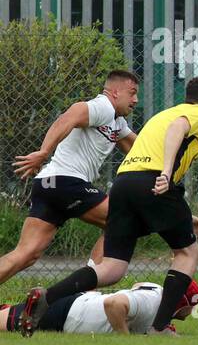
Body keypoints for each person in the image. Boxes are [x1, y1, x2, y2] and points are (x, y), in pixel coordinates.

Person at [19, 76, 198, 338]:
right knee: (188, 252)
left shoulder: (164, 113)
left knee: (111, 268)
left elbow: (147, 147)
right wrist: (166, 173)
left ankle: (47, 297)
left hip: (125, 183)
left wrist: (182, 212)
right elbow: (177, 129)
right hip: (153, 181)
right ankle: (160, 327)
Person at [2, 70, 140, 287]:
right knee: (123, 219)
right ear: (115, 92)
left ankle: (84, 291)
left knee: (26, 254)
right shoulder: (103, 106)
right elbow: (70, 115)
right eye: (132, 93)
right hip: (66, 182)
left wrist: (175, 152)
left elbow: (139, 149)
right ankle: (84, 293)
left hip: (48, 183)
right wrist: (43, 152)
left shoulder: (117, 122)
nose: (136, 100)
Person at [2, 280, 198, 335]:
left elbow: (138, 285)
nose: (192, 312)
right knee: (8, 322)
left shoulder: (156, 290)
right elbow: (113, 303)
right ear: (182, 304)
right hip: (68, 314)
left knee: (11, 312)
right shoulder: (151, 303)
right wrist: (125, 339)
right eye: (193, 307)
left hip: (81, 302)